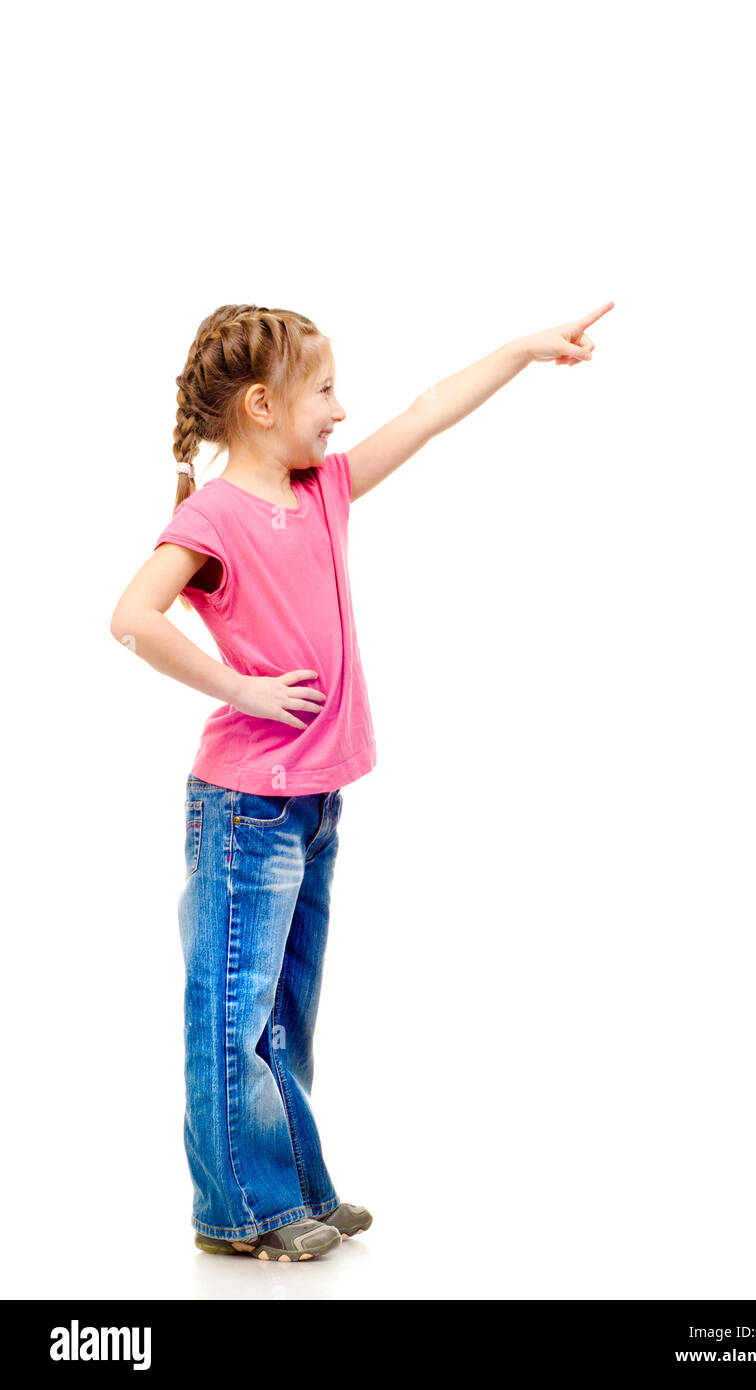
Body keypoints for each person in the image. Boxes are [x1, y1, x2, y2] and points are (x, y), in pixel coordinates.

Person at [109, 299, 613, 1264]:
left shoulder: (324, 491)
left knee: (288, 1010)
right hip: (247, 807)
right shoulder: (214, 515)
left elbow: (425, 412)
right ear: (262, 405)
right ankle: (236, 1213)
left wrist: (517, 349)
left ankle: (293, 1188)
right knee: (232, 1013)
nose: (341, 411)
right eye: (326, 390)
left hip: (313, 802)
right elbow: (134, 614)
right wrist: (237, 685)